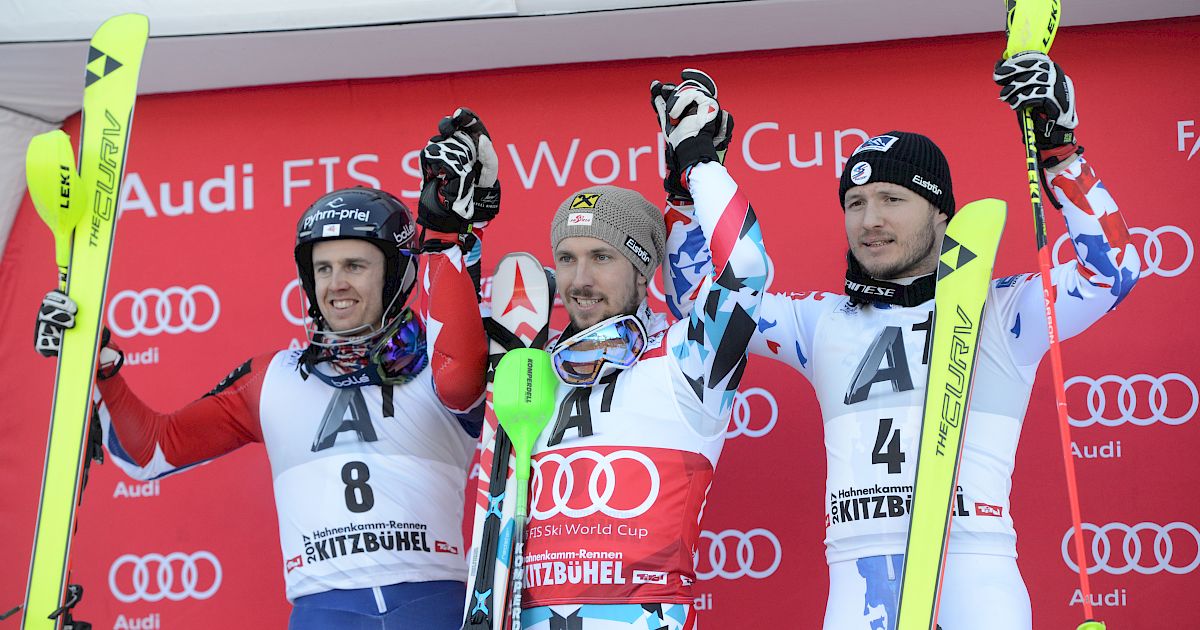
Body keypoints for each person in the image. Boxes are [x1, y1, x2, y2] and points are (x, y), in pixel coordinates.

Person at [662, 56, 1139, 629]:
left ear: (941, 213)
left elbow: (1111, 271)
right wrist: (687, 188)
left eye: (892, 199)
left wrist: (1060, 152)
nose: (869, 220)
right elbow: (699, 303)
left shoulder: (1004, 310)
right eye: (856, 203)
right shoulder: (821, 323)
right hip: (860, 585)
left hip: (976, 577)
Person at [33, 110, 502, 629]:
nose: (335, 284)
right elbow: (152, 450)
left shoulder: (434, 365)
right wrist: (98, 367)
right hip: (324, 611)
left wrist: (445, 233)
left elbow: (461, 370)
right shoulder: (274, 379)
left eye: (355, 265)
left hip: (433, 606)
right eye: (322, 268)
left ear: (395, 273)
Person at [513, 72, 768, 630]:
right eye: (567, 257)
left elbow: (746, 271)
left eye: (602, 257)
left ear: (643, 267)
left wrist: (697, 168)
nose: (579, 279)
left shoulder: (686, 360)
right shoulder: (528, 374)